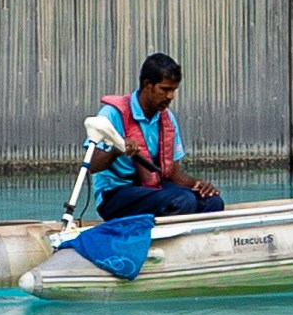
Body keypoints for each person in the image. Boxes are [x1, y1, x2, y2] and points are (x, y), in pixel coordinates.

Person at [74, 52, 222, 226]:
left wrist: (199, 184)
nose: (170, 97)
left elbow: (172, 174)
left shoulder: (167, 119)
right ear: (147, 85)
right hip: (115, 194)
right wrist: (116, 150)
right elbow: (90, 165)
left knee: (213, 202)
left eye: (173, 90)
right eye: (165, 89)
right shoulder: (112, 114)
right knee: (183, 201)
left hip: (153, 189)